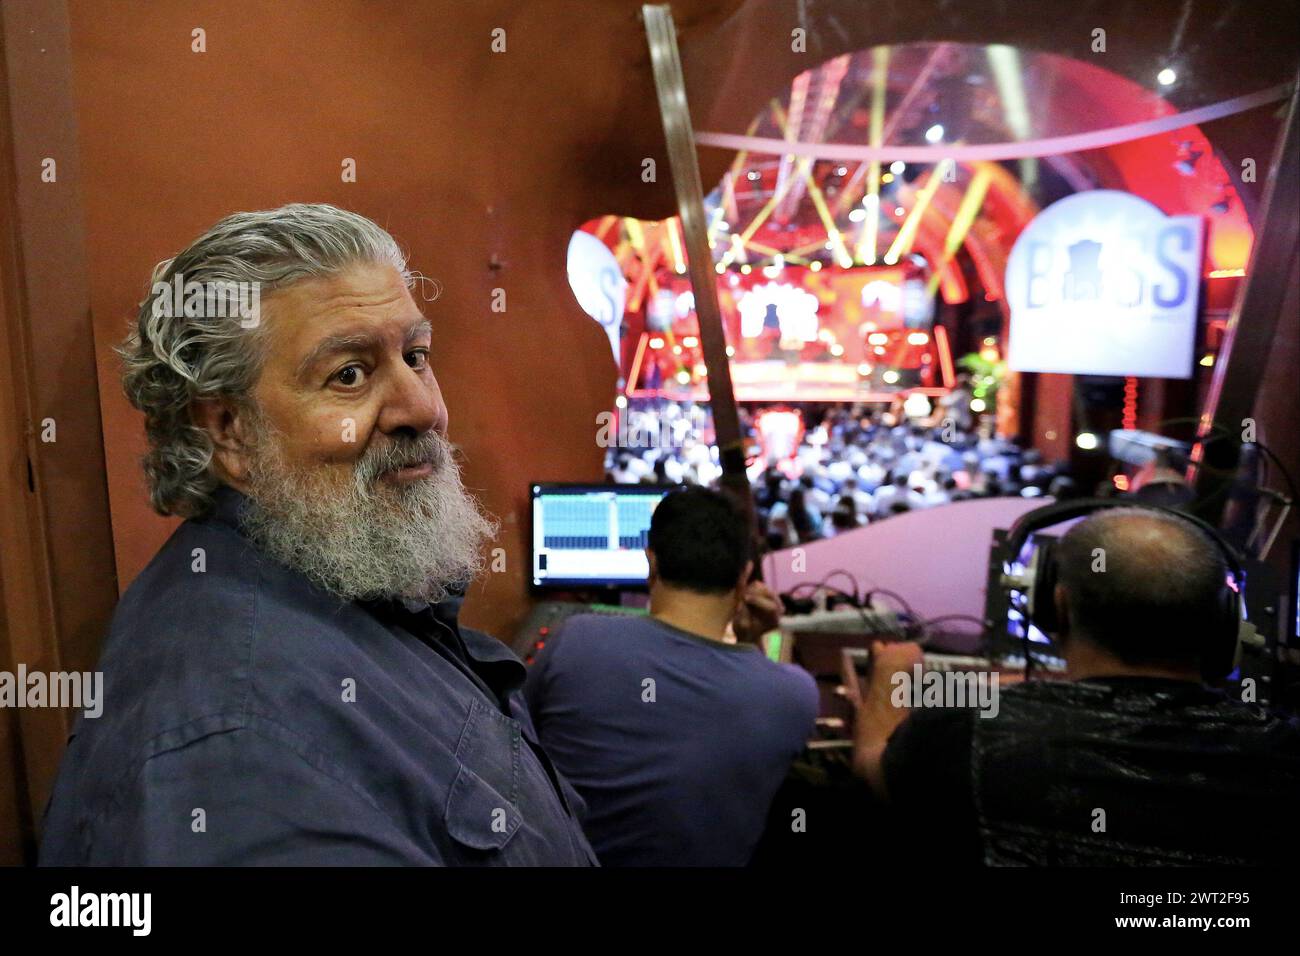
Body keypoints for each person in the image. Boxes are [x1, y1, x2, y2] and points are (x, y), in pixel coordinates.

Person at [40, 204, 596, 865]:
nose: (424, 408)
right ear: (230, 431)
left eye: (415, 356)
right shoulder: (236, 744)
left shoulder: (351, 589)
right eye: (349, 374)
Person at [852, 508, 1300, 865]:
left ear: (1055, 605)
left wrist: (894, 674)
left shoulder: (968, 734)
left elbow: (875, 766)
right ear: (1224, 623)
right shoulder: (1284, 746)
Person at [523, 487, 819, 866]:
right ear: (745, 577)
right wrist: (752, 640)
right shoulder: (794, 695)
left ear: (651, 563)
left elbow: (518, 738)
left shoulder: (575, 640)